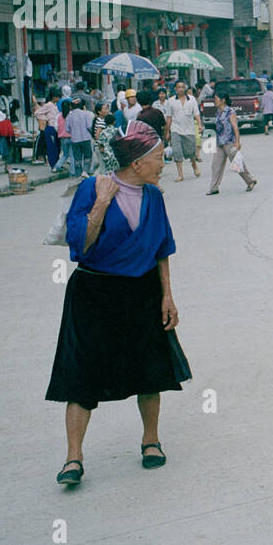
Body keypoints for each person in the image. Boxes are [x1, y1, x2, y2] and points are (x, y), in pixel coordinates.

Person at [45, 121, 191, 486]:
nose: (163, 164)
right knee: (82, 374)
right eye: (159, 158)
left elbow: (162, 248)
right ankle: (73, 458)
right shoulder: (92, 188)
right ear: (137, 163)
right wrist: (102, 202)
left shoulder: (154, 196)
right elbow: (80, 245)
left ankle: (151, 440)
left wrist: (167, 295)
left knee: (151, 369)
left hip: (143, 292)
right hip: (94, 294)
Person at [206, 92, 256, 194]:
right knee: (216, 165)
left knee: (237, 164)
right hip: (219, 142)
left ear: (223, 100)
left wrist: (238, 142)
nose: (215, 101)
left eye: (216, 99)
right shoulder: (218, 112)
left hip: (229, 142)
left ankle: (250, 181)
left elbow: (235, 128)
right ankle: (214, 188)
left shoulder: (230, 112)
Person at [163, 81, 201, 182]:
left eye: (182, 87)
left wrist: (200, 125)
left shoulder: (192, 99)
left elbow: (196, 113)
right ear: (175, 89)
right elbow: (169, 117)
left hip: (189, 130)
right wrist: (167, 132)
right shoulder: (171, 101)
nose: (181, 89)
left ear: (185, 88)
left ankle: (194, 164)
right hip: (175, 130)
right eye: (179, 87)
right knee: (177, 152)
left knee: (190, 152)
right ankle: (180, 174)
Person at [66, 96, 95, 177]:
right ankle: (85, 171)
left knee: (77, 158)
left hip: (75, 139)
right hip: (86, 138)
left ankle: (78, 174)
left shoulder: (69, 116)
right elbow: (89, 126)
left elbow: (67, 129)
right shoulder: (86, 114)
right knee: (88, 156)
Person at [34, 88, 61, 169]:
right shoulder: (48, 105)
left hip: (55, 128)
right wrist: (46, 119)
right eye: (58, 97)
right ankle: (53, 164)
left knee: (57, 147)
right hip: (50, 127)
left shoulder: (55, 105)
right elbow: (37, 113)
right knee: (52, 147)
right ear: (54, 97)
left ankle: (56, 163)